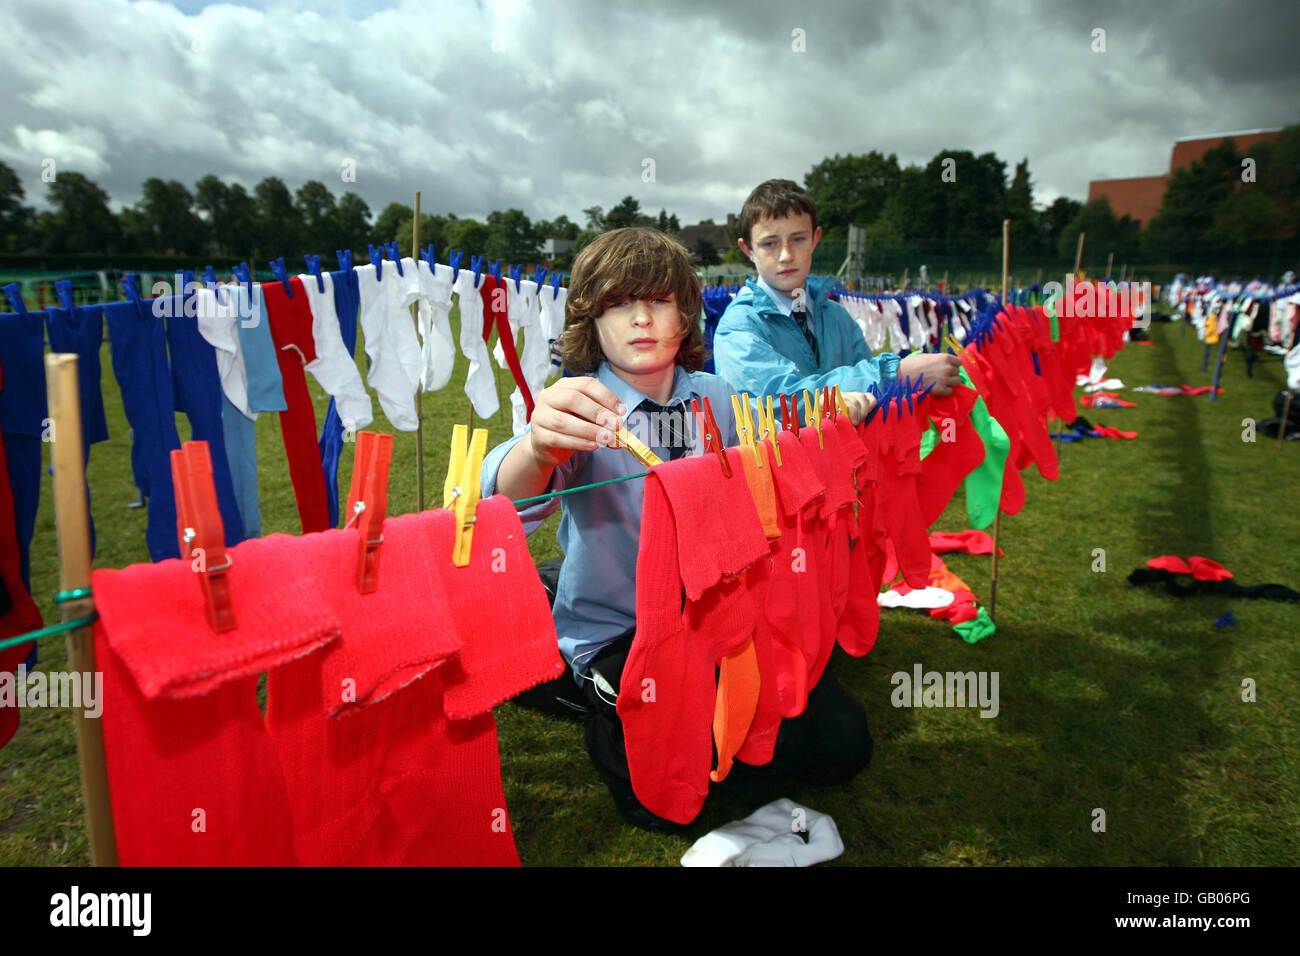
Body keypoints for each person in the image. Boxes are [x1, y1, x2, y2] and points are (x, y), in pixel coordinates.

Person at [481, 227, 874, 830]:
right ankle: (565, 677)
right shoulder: (578, 403)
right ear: (592, 317)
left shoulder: (717, 396)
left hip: (721, 619)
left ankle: (550, 619)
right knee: (667, 803)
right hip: (624, 629)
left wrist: (824, 427)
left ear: (685, 314)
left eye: (660, 300)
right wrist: (536, 448)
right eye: (618, 302)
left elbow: (771, 469)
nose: (641, 318)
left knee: (841, 747)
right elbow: (504, 503)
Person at [713, 179, 963, 406]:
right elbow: (777, 400)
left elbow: (877, 399)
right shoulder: (738, 327)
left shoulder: (838, 317)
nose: (786, 255)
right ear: (747, 249)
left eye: (798, 239)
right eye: (769, 243)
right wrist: (895, 374)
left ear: (815, 238)